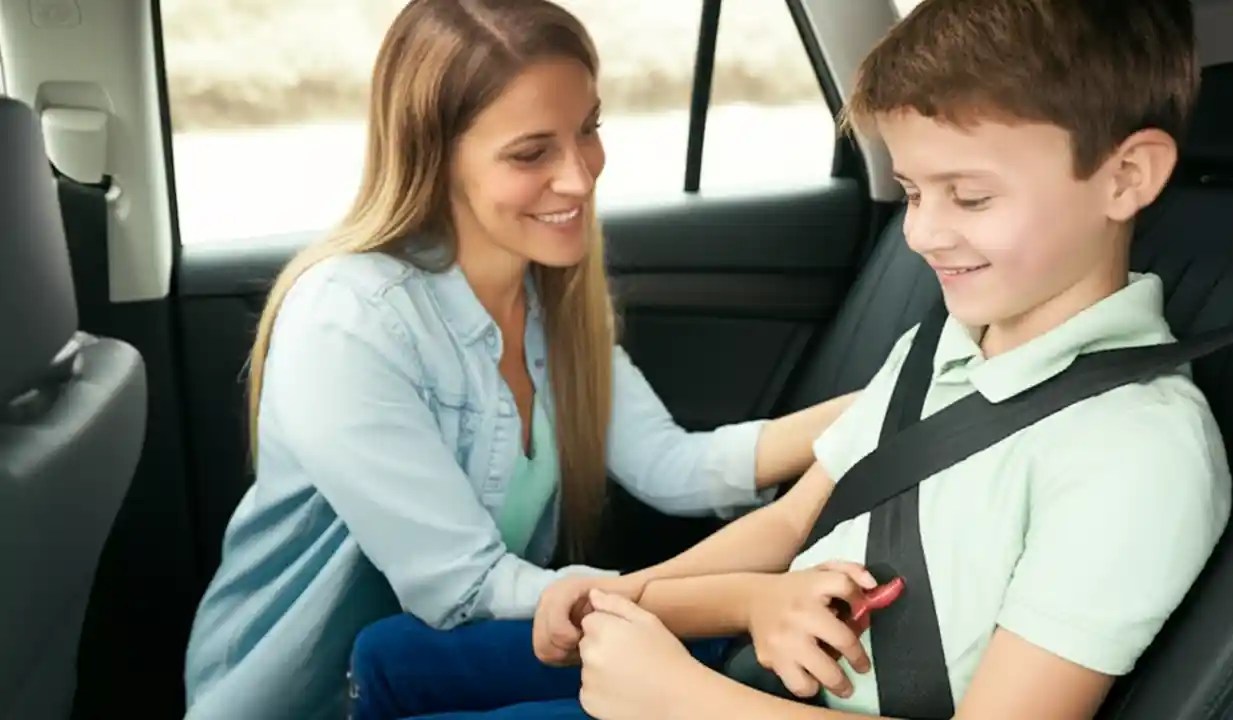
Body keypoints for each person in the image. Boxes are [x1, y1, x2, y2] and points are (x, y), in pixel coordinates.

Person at [402, 0, 1228, 718]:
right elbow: (792, 522)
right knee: (389, 661)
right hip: (756, 675)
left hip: (725, 701)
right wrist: (618, 599)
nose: (922, 233)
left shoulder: (1138, 453)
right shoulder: (944, 341)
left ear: (1126, 176)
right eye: (911, 191)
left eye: (970, 196)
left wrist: (678, 699)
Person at [180, 1, 857, 718]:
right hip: (313, 697)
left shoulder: (548, 294)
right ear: (434, 157)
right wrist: (743, 601)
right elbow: (469, 589)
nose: (580, 176)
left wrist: (875, 408)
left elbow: (672, 464)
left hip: (448, 672)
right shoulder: (348, 323)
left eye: (589, 129)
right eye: (531, 153)